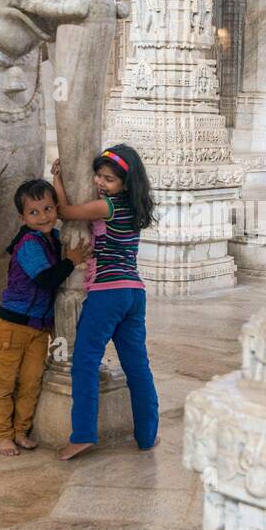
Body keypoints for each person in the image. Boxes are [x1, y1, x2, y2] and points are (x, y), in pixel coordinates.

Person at [50, 146, 160, 460]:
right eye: (98, 175)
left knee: (84, 362)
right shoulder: (136, 209)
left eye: (108, 179)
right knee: (138, 366)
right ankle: (146, 435)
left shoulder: (106, 207)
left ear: (125, 183)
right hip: (134, 293)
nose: (100, 182)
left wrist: (57, 179)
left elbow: (65, 212)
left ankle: (83, 434)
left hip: (108, 293)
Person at [0, 179, 88, 456]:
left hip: (38, 328)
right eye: (34, 212)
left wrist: (59, 178)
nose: (44, 216)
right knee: (5, 382)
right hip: (12, 325)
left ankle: (21, 431)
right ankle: (3, 435)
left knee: (32, 382)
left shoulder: (53, 238)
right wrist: (70, 261)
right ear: (22, 218)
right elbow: (46, 280)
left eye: (48, 208)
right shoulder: (29, 244)